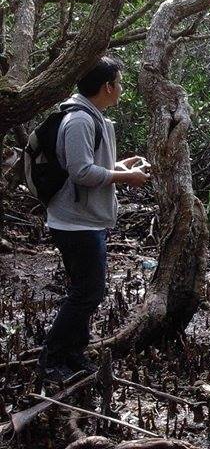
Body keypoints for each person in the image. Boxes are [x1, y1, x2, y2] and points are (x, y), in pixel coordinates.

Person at [37, 55, 151, 381]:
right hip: (76, 223)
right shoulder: (80, 120)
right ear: (107, 86)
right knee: (87, 294)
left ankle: (73, 355)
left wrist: (122, 165)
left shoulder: (94, 116)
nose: (122, 89)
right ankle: (51, 360)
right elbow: (82, 171)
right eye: (120, 83)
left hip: (87, 219)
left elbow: (90, 161)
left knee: (86, 291)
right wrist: (125, 177)